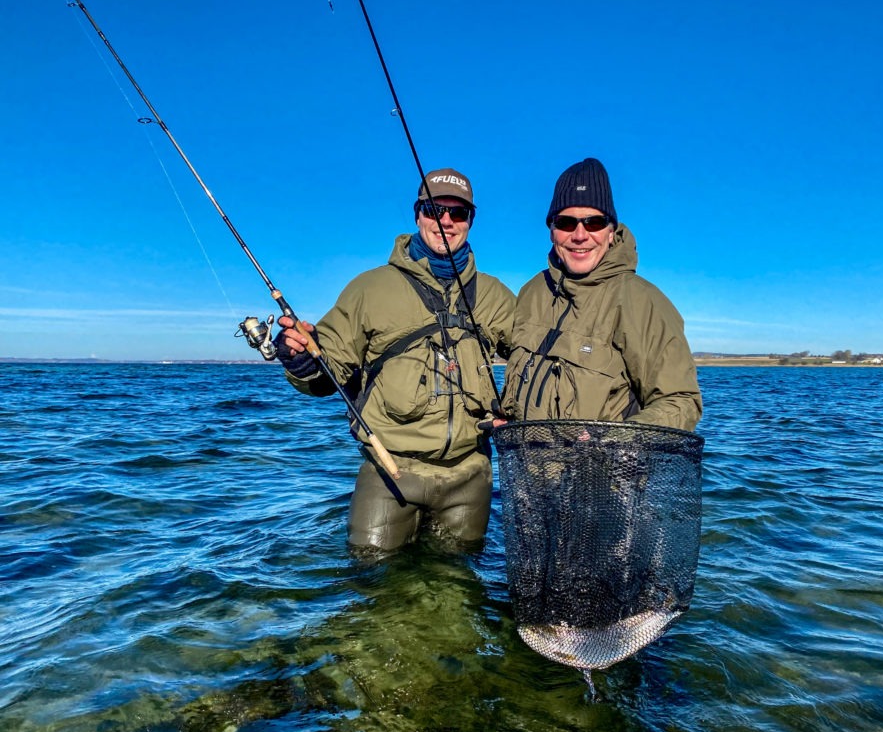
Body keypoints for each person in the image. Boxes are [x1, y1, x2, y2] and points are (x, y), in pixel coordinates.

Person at [275, 168, 515, 553]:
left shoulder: (496, 295)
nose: (446, 222)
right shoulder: (369, 288)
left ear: (471, 220)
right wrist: (300, 358)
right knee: (371, 577)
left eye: (458, 214)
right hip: (390, 470)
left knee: (457, 584)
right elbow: (327, 371)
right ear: (417, 213)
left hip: (471, 474)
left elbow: (531, 364)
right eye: (435, 210)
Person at [500, 157, 702, 430]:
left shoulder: (641, 301)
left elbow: (680, 402)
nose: (580, 235)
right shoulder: (533, 292)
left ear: (611, 231)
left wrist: (611, 441)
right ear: (551, 231)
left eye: (593, 223)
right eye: (566, 223)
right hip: (531, 470)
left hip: (607, 470)